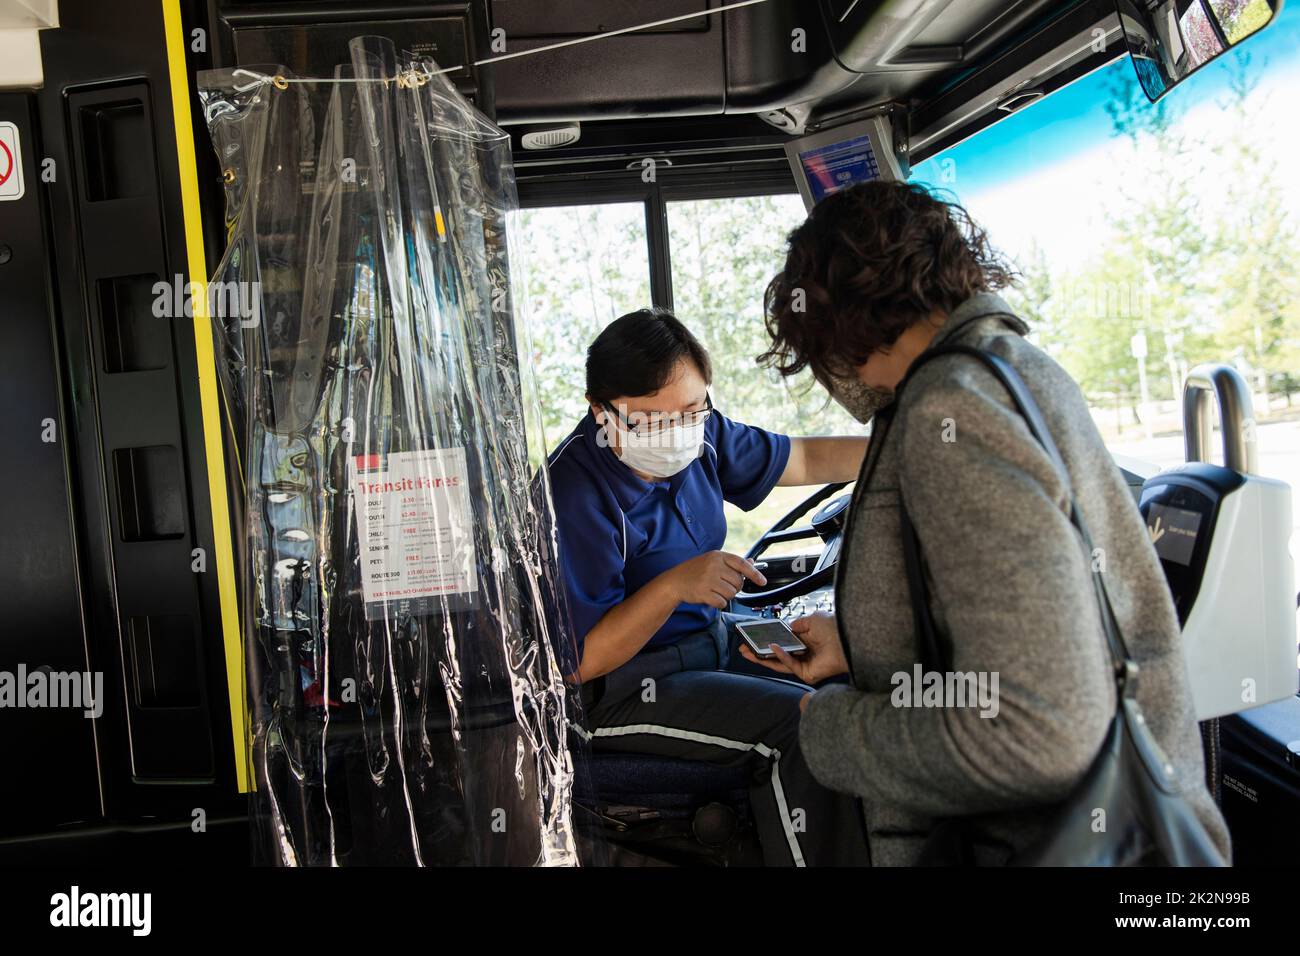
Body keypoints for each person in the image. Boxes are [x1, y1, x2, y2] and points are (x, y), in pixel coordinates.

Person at [745, 179, 1231, 865]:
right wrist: (863, 649)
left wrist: (833, 729)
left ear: (838, 321)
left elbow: (1039, 730)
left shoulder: (952, 410)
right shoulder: (1013, 369)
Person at [548, 307, 870, 866]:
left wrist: (904, 445)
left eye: (693, 410)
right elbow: (578, 662)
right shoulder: (576, 494)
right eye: (652, 419)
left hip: (710, 640)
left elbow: (808, 455)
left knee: (856, 669)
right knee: (804, 727)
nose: (678, 431)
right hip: (620, 691)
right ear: (602, 412)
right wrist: (673, 587)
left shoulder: (702, 436)